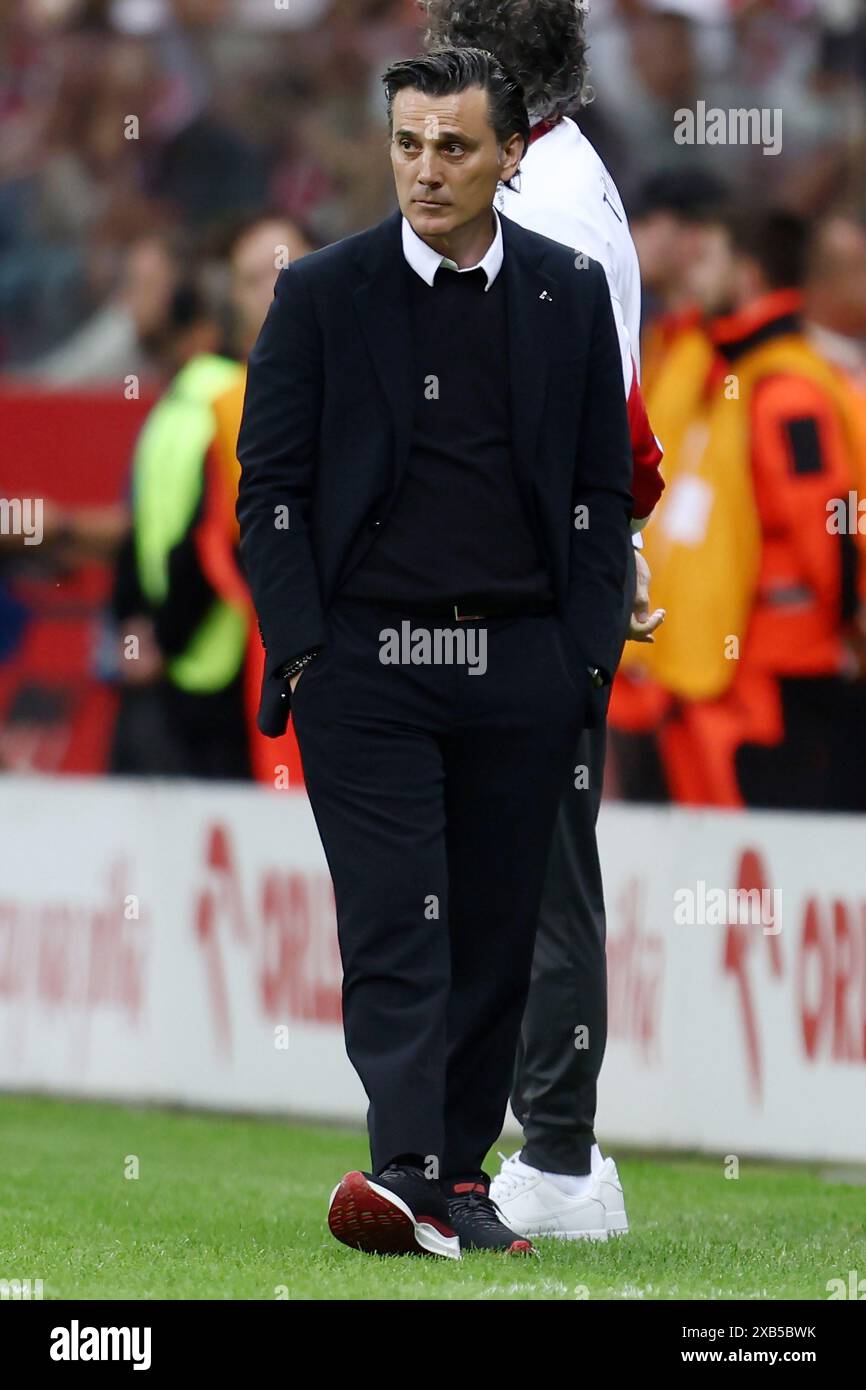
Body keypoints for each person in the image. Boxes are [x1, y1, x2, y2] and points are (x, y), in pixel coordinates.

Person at [236, 47, 634, 1257]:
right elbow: (272, 492)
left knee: (498, 929)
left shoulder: (569, 294)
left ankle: (459, 1176)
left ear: (511, 154)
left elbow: (595, 494)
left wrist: (575, 667)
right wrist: (304, 652)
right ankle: (406, 1167)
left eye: (453, 147)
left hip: (516, 665)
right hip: (365, 672)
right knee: (399, 922)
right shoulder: (321, 292)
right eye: (407, 143)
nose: (425, 169)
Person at [421, 0, 664, 1239]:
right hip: (541, 572)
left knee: (542, 874)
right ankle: (542, 1144)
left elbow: (583, 427)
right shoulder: (557, 177)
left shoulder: (548, 205)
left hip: (532, 583)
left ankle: (560, 1162)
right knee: (514, 863)